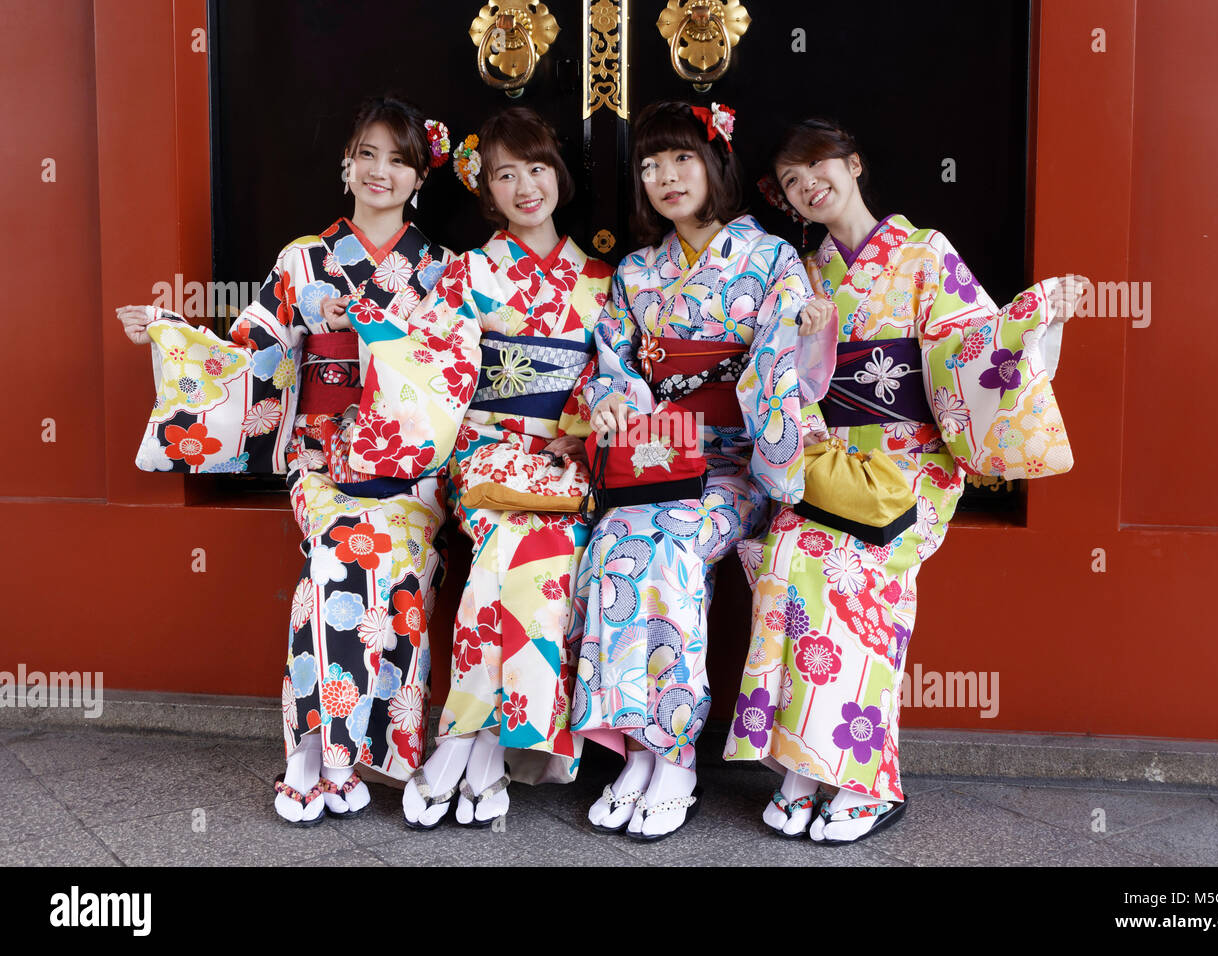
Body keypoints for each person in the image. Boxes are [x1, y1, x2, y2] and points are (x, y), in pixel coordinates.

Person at [117, 96, 477, 826]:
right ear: (347, 163)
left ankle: (352, 759)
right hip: (322, 461)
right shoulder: (301, 259)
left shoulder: (444, 269)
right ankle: (313, 757)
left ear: (418, 178)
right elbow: (251, 357)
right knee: (336, 565)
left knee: (401, 573)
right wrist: (172, 336)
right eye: (368, 154)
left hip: (410, 468)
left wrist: (382, 338)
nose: (380, 171)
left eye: (399, 159)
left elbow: (451, 373)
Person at [724, 117, 1084, 843]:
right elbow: (781, 378)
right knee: (785, 560)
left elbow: (973, 347)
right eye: (792, 181)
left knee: (849, 572)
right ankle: (803, 765)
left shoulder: (924, 254)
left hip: (910, 467)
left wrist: (1031, 321)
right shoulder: (805, 270)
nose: (807, 185)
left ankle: (865, 777)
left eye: (817, 166)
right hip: (829, 465)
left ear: (853, 164)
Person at [569, 101, 813, 842]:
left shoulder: (772, 261)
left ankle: (674, 753)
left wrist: (750, 408)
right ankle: (636, 749)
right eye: (649, 165)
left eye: (679, 159)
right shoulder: (639, 273)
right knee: (614, 539)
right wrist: (615, 401)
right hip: (655, 460)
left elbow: (782, 368)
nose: (665, 178)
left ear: (715, 164)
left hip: (734, 466)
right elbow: (613, 365)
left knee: (668, 544)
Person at [399, 107, 614, 829]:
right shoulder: (469, 272)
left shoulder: (605, 282)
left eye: (538, 167)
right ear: (486, 190)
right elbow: (433, 374)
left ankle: (470, 742)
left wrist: (582, 428)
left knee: (528, 552)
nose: (527, 186)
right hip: (486, 455)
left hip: (565, 464)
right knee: (512, 541)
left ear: (559, 173)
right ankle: (485, 747)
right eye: (505, 174)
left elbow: (619, 379)